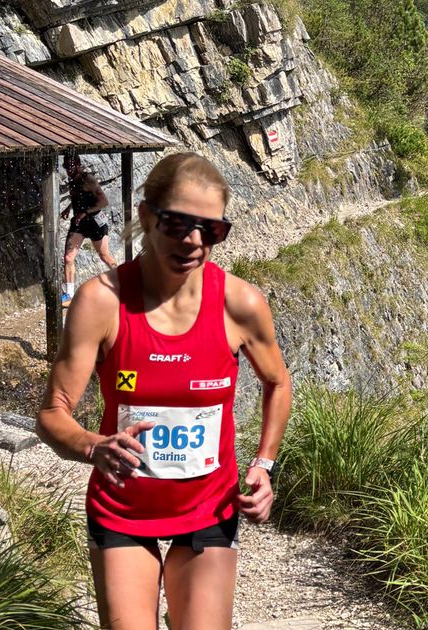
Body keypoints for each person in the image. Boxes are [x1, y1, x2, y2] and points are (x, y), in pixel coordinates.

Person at [37, 152, 292, 630]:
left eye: (211, 230)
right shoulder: (102, 301)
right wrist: (93, 447)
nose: (194, 241)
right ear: (146, 216)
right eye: (177, 223)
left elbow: (277, 382)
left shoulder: (240, 303)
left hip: (209, 507)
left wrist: (264, 464)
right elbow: (53, 412)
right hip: (122, 509)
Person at [61, 154, 116, 306]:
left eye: (71, 166)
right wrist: (69, 208)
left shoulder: (88, 180)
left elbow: (103, 201)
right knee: (68, 258)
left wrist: (85, 212)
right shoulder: (73, 181)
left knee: (105, 256)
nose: (68, 170)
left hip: (95, 222)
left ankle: (124, 283)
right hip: (79, 223)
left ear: (78, 165)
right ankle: (69, 294)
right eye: (66, 167)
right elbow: (80, 197)